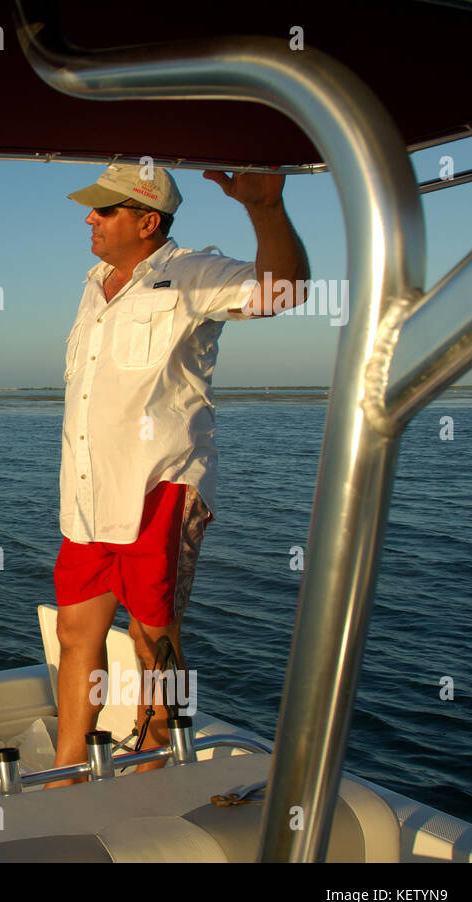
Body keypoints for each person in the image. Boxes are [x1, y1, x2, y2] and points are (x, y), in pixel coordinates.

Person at [52, 163, 309, 782]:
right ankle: (66, 767)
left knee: (153, 636)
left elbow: (287, 292)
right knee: (73, 629)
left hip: (159, 484)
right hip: (88, 492)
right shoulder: (94, 284)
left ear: (147, 220)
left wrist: (265, 208)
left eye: (104, 210)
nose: (89, 217)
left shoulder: (191, 272)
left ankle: (156, 756)